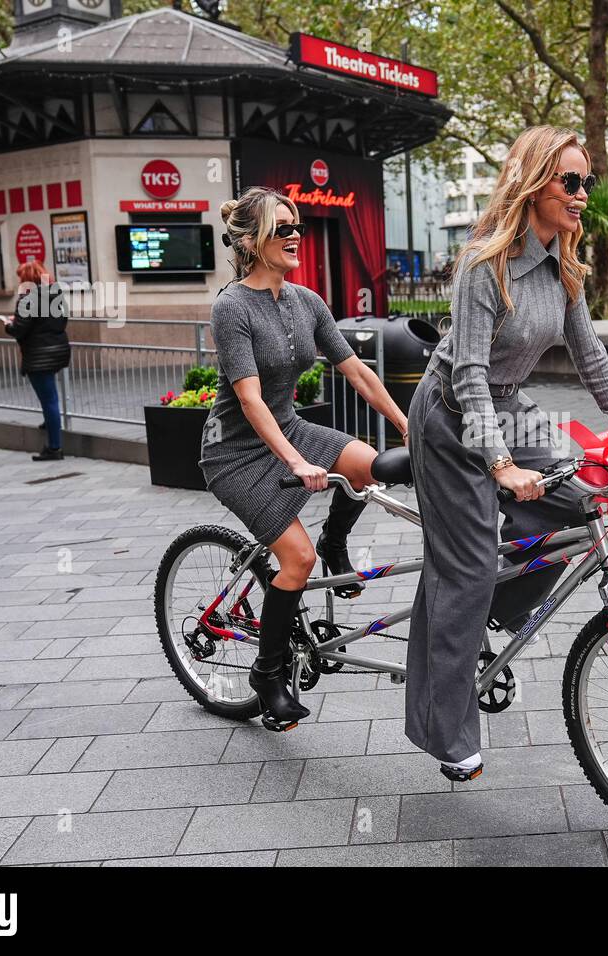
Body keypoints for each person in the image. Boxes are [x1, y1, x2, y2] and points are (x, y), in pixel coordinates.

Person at [405, 126, 608, 782]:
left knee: (591, 495)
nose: (582, 193)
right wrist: (501, 466)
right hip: (453, 419)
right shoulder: (487, 264)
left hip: (509, 409)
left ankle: (496, 609)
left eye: (587, 182)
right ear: (536, 183)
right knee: (467, 571)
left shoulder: (564, 265)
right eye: (571, 181)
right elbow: (469, 375)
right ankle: (444, 728)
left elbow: (590, 354)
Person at [201, 186, 409, 731]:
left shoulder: (307, 301)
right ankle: (268, 676)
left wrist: (408, 425)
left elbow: (358, 372)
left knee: (372, 464)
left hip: (287, 428)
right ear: (250, 241)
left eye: (298, 227)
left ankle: (335, 539)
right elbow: (248, 399)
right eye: (282, 228)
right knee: (296, 562)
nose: (296, 236)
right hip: (235, 452)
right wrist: (295, 463)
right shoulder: (231, 307)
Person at [5, 260, 71, 461]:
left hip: (38, 354)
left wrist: (9, 324)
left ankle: (54, 447)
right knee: (50, 397)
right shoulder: (55, 294)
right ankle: (49, 424)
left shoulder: (28, 298)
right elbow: (62, 320)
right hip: (58, 350)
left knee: (49, 399)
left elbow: (19, 330)